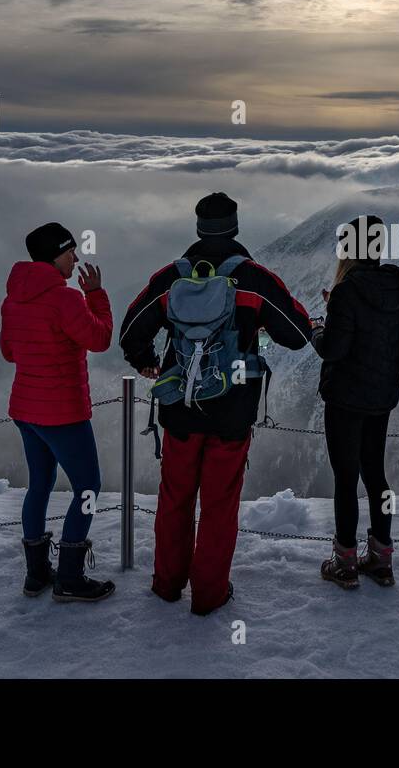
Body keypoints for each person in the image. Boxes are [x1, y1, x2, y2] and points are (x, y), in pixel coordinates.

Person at [120, 193, 312, 615]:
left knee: (175, 499)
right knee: (219, 505)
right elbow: (298, 335)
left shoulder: (171, 278)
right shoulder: (255, 280)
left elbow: (131, 330)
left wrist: (149, 363)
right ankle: (208, 595)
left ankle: (167, 586)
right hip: (232, 411)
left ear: (198, 228)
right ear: (236, 226)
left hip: (180, 410)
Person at [0, 222, 115, 603]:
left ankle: (36, 575)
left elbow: (9, 352)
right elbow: (99, 340)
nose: (76, 258)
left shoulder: (13, 298)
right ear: (54, 254)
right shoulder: (66, 300)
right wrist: (95, 296)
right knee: (87, 487)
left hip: (26, 411)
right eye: (70, 252)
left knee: (40, 485)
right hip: (63, 412)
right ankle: (69, 577)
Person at [311, 215, 399, 588]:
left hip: (345, 398)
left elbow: (334, 349)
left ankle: (345, 561)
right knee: (375, 474)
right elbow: (388, 336)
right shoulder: (396, 288)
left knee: (345, 478)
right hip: (380, 397)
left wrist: (318, 328)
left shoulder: (348, 291)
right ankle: (381, 558)